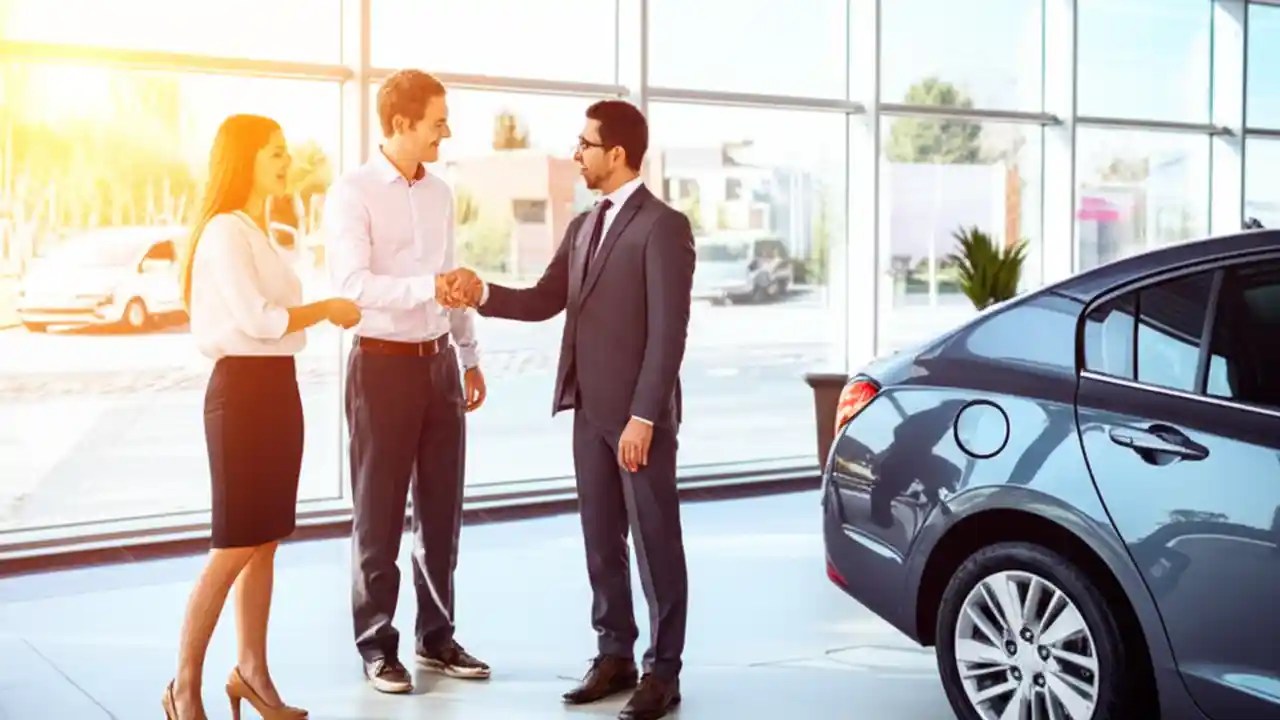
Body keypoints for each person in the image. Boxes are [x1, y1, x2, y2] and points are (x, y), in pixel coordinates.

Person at [441, 99, 694, 720]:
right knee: (601, 542)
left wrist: (645, 416)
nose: (575, 153)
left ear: (618, 153)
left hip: (639, 419)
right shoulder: (583, 226)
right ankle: (615, 656)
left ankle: (664, 672)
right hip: (588, 411)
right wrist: (482, 294)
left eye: (585, 144)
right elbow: (545, 299)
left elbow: (669, 333)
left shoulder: (663, 226)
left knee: (655, 541)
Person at [164, 114, 361, 720]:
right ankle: (183, 688)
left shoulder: (258, 229)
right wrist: (326, 307)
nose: (284, 160)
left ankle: (252, 674)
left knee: (264, 542)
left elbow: (272, 318)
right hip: (242, 395)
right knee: (233, 544)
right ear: (242, 158)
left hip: (278, 390)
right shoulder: (224, 231)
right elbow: (258, 319)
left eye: (284, 150)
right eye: (273, 152)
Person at [322, 69, 490, 695]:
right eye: (437, 122)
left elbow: (452, 278)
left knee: (443, 511)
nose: (446, 131)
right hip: (381, 366)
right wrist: (429, 288)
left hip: (439, 361)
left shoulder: (441, 194)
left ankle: (437, 638)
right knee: (379, 514)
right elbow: (352, 286)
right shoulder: (352, 191)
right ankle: (377, 644)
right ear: (402, 124)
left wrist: (469, 356)